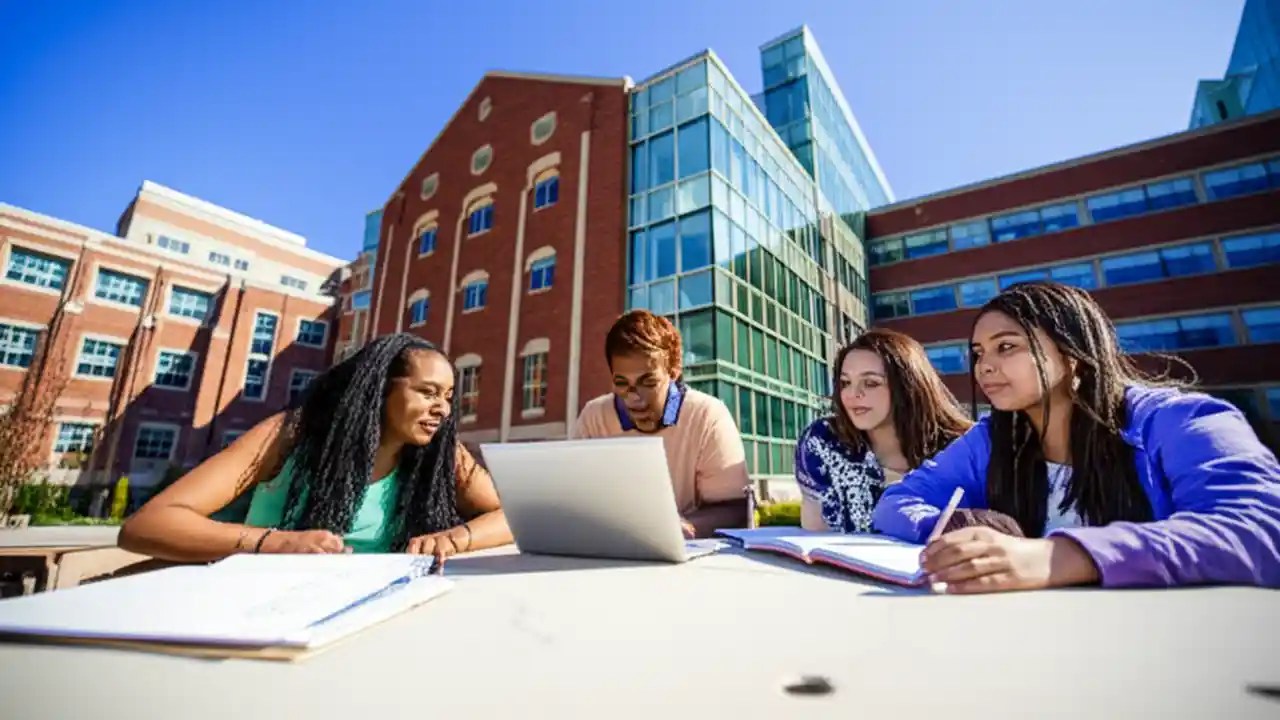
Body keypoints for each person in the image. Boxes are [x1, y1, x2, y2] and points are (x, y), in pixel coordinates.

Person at [872, 281, 1280, 592]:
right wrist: (951, 525)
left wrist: (1060, 556)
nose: (985, 367)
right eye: (979, 353)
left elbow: (1260, 528)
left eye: (1006, 347)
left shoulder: (1182, 422)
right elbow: (896, 502)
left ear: (1072, 355)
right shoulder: (990, 440)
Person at [119, 334, 513, 563]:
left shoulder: (442, 455)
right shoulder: (289, 435)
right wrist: (275, 542)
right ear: (378, 391)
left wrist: (452, 539)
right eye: (427, 392)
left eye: (447, 396)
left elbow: (512, 517)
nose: (442, 408)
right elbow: (148, 525)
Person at [571, 310, 750, 538]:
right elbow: (574, 501)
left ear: (673, 372)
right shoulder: (593, 416)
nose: (634, 399)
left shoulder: (707, 416)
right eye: (622, 383)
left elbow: (734, 510)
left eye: (648, 382)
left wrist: (684, 528)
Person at [795, 328, 973, 533]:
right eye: (845, 383)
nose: (853, 394)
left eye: (870, 383)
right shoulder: (823, 442)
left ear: (908, 386)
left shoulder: (961, 450)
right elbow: (814, 539)